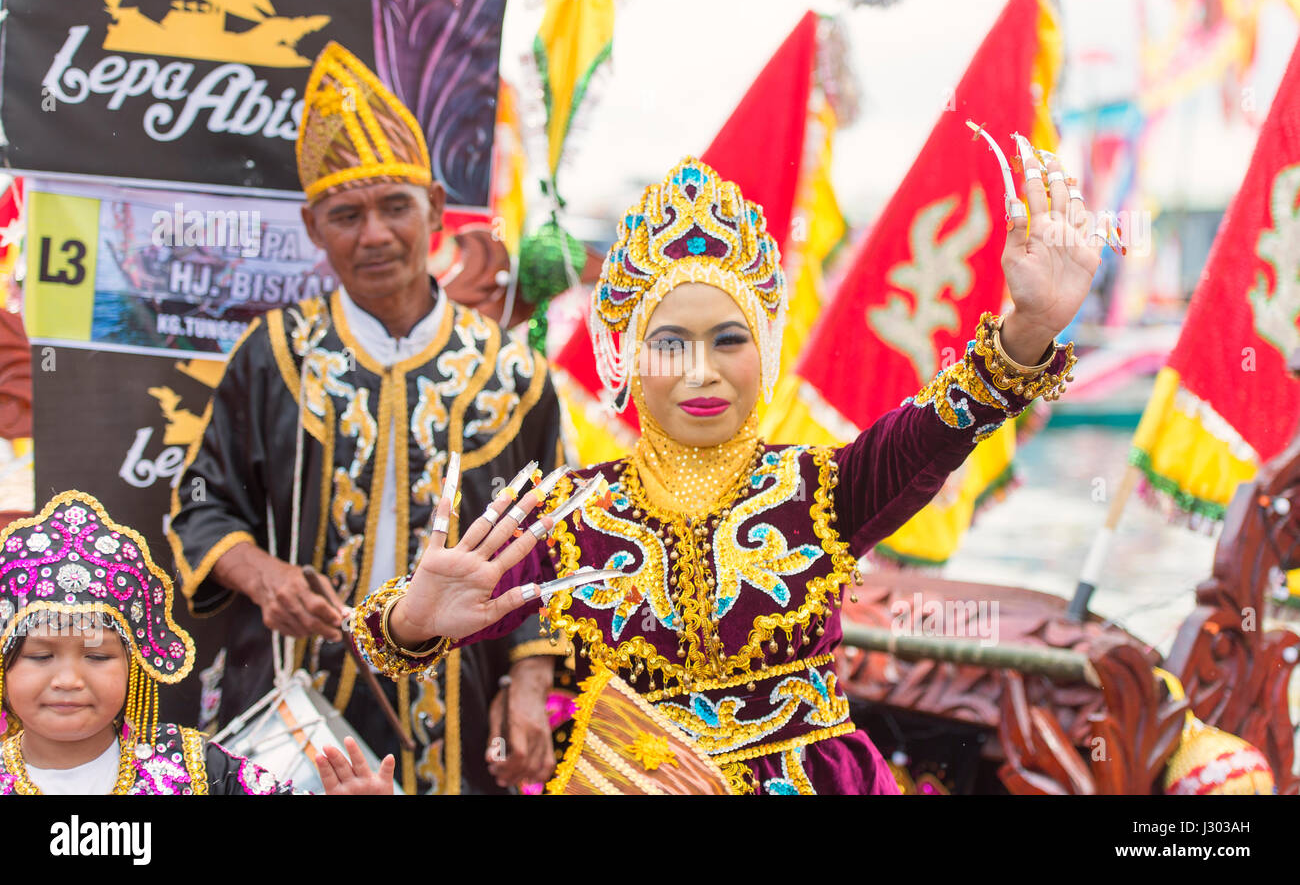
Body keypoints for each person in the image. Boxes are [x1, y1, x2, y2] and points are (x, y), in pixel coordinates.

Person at [348, 150, 1100, 795]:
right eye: (671, 341)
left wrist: (1028, 328)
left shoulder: (819, 490)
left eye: (729, 339)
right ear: (630, 360)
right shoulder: (573, 514)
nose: (701, 369)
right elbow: (392, 635)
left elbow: (938, 428)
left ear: (765, 353)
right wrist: (412, 619)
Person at [166, 42, 566, 795]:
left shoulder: (514, 378)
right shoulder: (275, 356)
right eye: (346, 214)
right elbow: (200, 503)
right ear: (313, 227)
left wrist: (529, 685)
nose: (374, 233)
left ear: (438, 211)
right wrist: (265, 575)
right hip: (297, 687)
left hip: (459, 695)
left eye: (394, 207)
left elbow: (546, 548)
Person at [0, 490, 391, 795]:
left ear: (133, 661)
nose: (68, 679)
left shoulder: (201, 771)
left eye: (97, 656)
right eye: (40, 656)